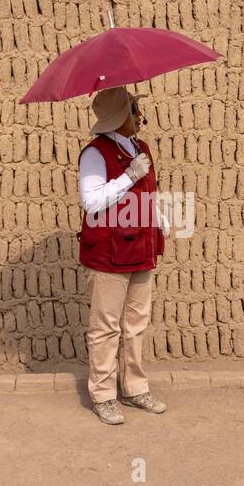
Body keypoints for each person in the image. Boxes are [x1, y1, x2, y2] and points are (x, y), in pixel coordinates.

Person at [77, 86, 169, 425]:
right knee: (106, 327)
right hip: (109, 252)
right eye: (133, 110)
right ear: (120, 117)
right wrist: (130, 177)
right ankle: (102, 395)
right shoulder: (95, 154)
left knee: (136, 324)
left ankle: (134, 387)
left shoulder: (140, 148)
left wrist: (159, 216)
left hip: (141, 247)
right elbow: (92, 202)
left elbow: (148, 192)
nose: (139, 116)